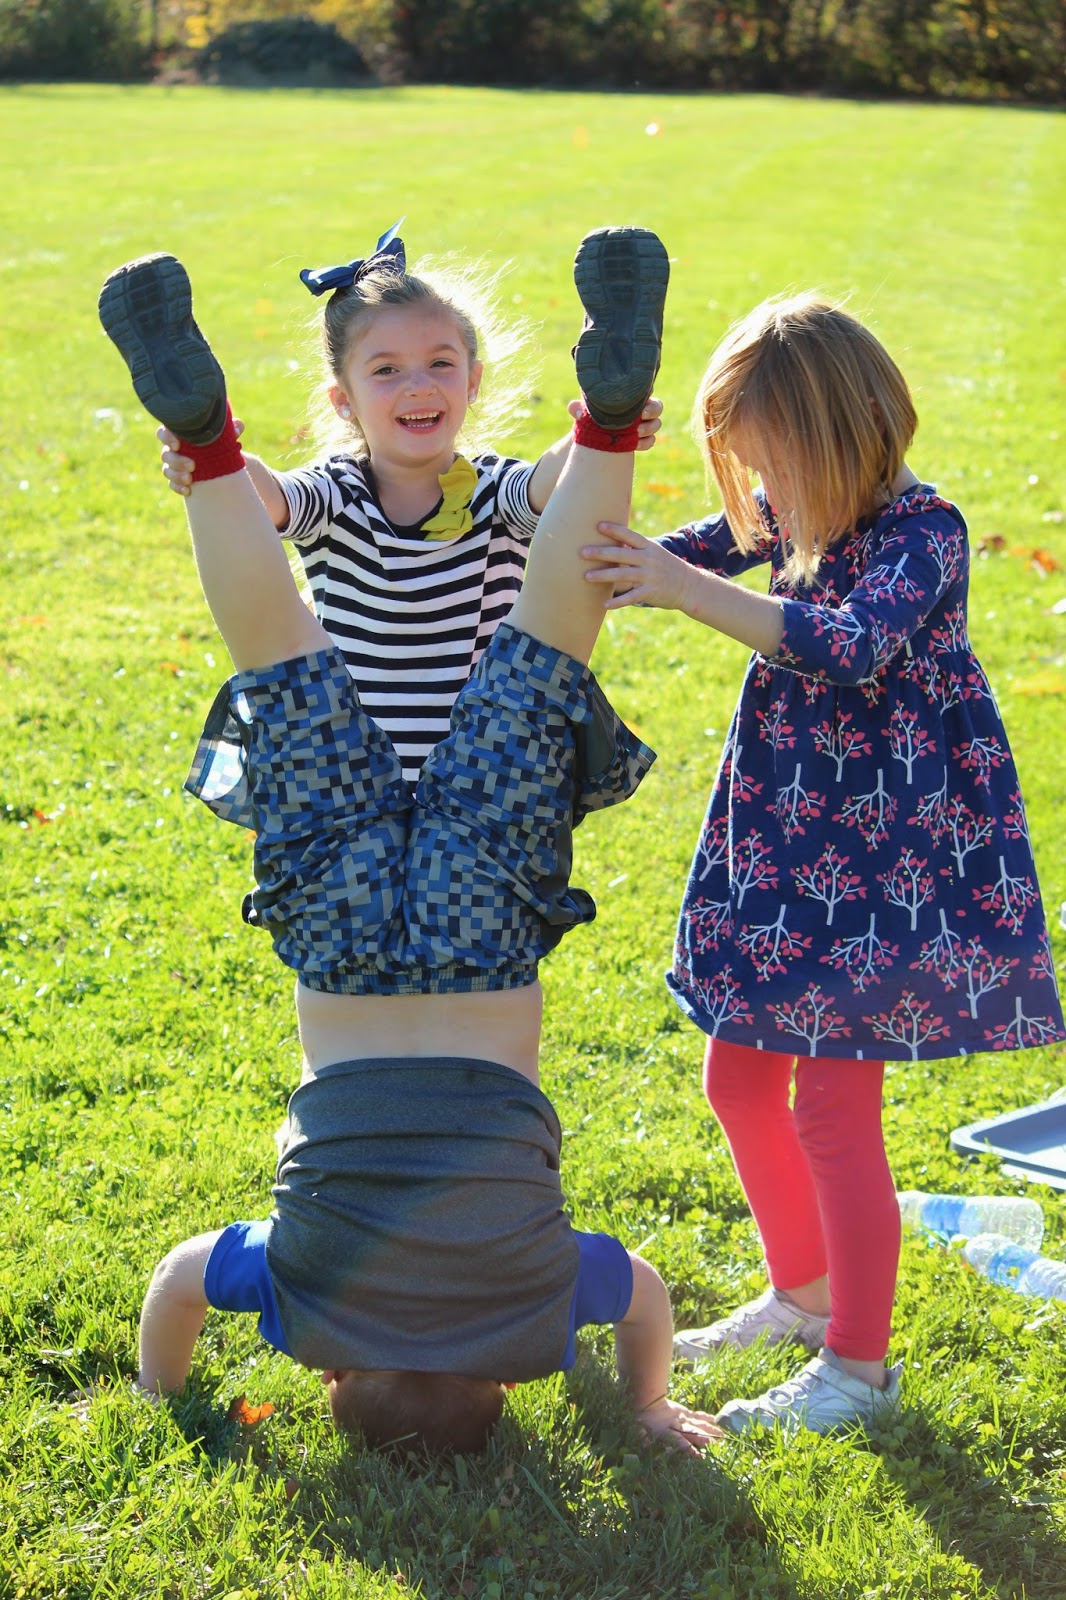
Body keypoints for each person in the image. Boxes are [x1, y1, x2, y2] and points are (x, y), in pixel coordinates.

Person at [99, 226, 722, 1457]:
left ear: (507, 1374)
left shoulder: (537, 1298)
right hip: (340, 940)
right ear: (327, 1376)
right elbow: (178, 1281)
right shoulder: (299, 1286)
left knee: (546, 653)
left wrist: (644, 1403)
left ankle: (606, 426)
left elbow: (638, 1289)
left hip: (481, 932)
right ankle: (212, 441)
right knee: (278, 658)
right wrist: (160, 1397)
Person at [582, 291, 1066, 1436]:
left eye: (776, 465)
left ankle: (857, 1367)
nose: (764, 495)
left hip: (887, 853)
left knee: (836, 1113)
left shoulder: (922, 530)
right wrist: (577, 488)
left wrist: (687, 588)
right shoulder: (794, 506)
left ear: (848, 434)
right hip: (789, 841)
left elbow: (848, 646)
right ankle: (801, 1298)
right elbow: (667, 551)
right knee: (739, 1080)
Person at [152, 223, 661, 782]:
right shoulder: (338, 492)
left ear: (473, 381)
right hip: (349, 772)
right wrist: (214, 466)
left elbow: (552, 487)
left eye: (441, 363)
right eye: (387, 370)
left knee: (585, 485)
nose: (418, 385)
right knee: (227, 483)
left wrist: (608, 419)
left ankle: (607, 421)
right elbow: (269, 499)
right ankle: (206, 434)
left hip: (483, 768)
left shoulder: (491, 487)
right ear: (344, 401)